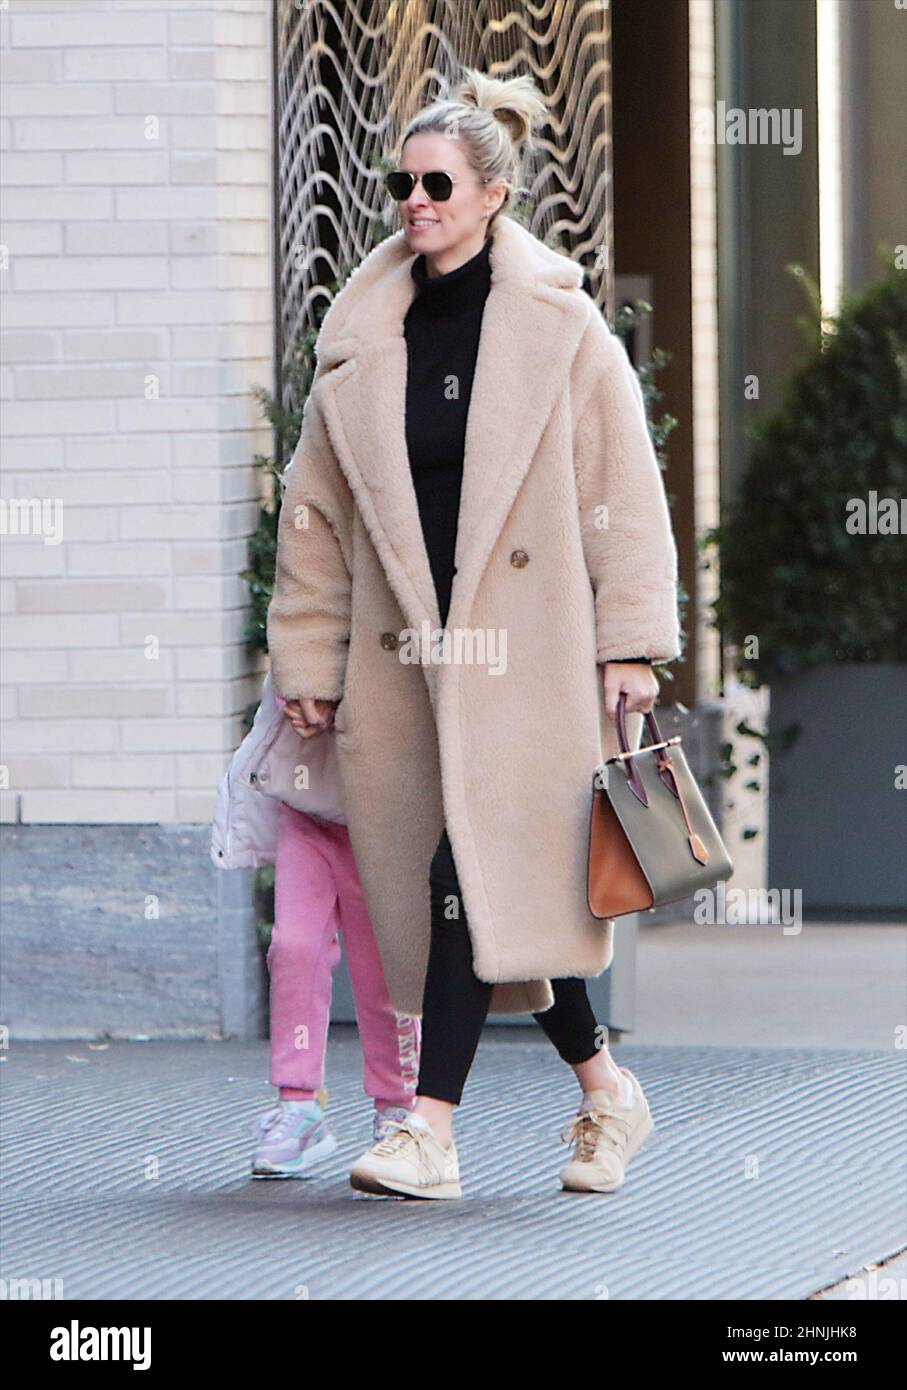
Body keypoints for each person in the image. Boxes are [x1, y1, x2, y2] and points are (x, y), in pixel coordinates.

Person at [267, 68, 681, 1199]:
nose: (412, 200)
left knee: (473, 871)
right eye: (399, 182)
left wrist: (631, 640)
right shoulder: (360, 341)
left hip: (532, 663)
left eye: (435, 182)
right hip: (410, 666)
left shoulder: (563, 326)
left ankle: (429, 1130)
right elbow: (314, 518)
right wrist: (307, 657)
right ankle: (606, 1089)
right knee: (492, 890)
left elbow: (624, 488)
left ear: (491, 193)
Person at [211, 672, 420, 1177]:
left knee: (383, 973)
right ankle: (299, 1105)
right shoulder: (312, 594)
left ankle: (397, 1110)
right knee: (294, 949)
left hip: (384, 815)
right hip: (309, 807)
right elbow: (294, 626)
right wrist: (301, 689)